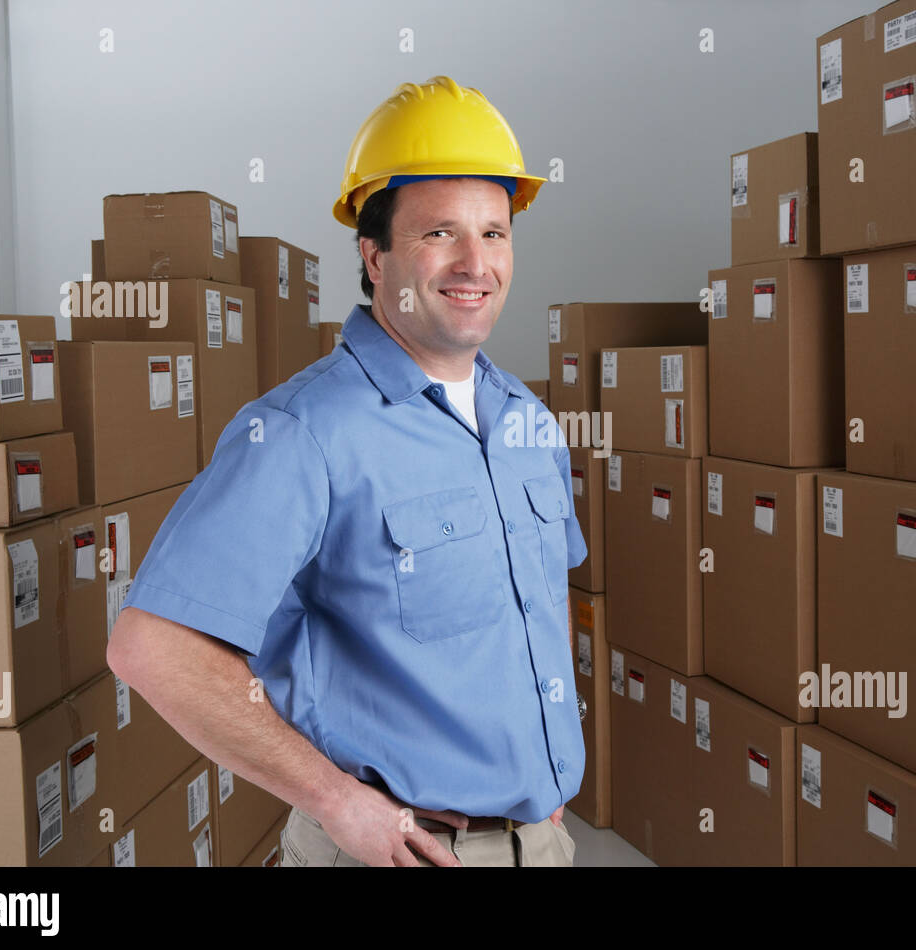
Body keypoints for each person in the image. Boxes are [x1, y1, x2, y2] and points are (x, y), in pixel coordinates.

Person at [107, 75, 588, 867]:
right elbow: (152, 647)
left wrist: (542, 784)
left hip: (537, 842)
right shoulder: (302, 432)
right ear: (376, 255)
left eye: (495, 233)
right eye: (441, 234)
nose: (477, 262)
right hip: (394, 853)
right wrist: (333, 800)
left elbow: (537, 607)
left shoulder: (525, 419)